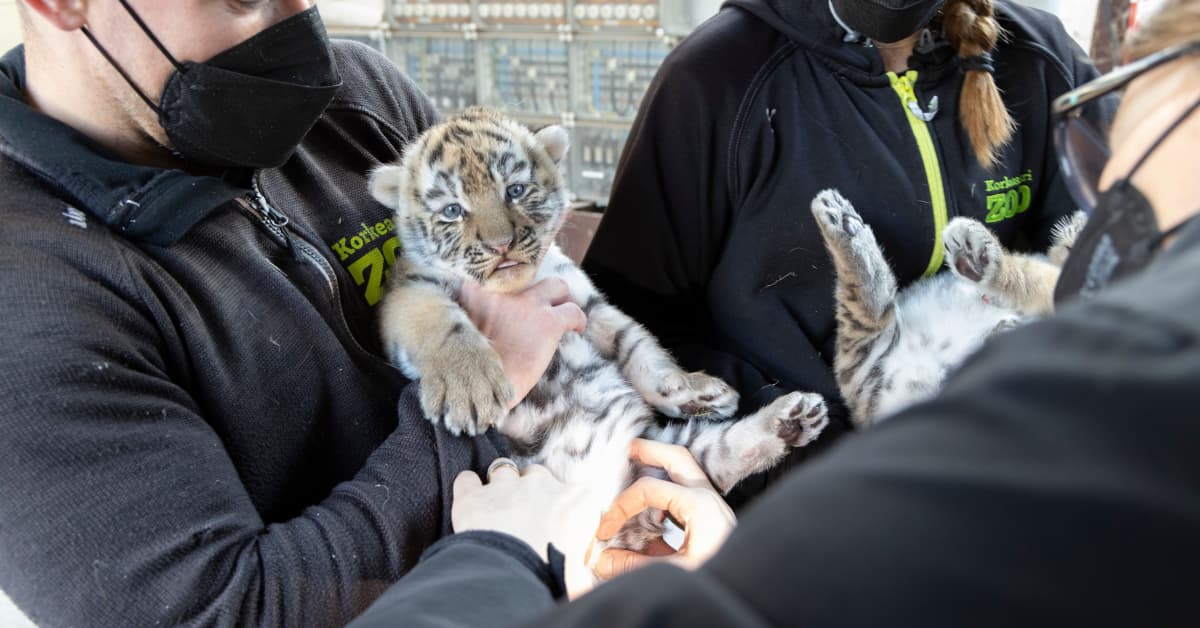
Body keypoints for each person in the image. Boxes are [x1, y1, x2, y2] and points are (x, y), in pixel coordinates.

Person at [349, 0, 1200, 624]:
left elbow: (1094, 271)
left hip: (1013, 494)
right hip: (782, 505)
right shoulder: (717, 82)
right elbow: (627, 317)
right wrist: (752, 461)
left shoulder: (1037, 57)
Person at [0, 1, 583, 626]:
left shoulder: (361, 99)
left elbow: (527, 299)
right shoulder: (32, 292)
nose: (299, 23)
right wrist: (479, 393)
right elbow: (229, 610)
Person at [581, 0, 1101, 503]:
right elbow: (624, 335)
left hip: (1002, 471)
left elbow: (1126, 266)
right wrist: (800, 449)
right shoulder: (718, 78)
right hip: (801, 491)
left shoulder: (1039, 59)